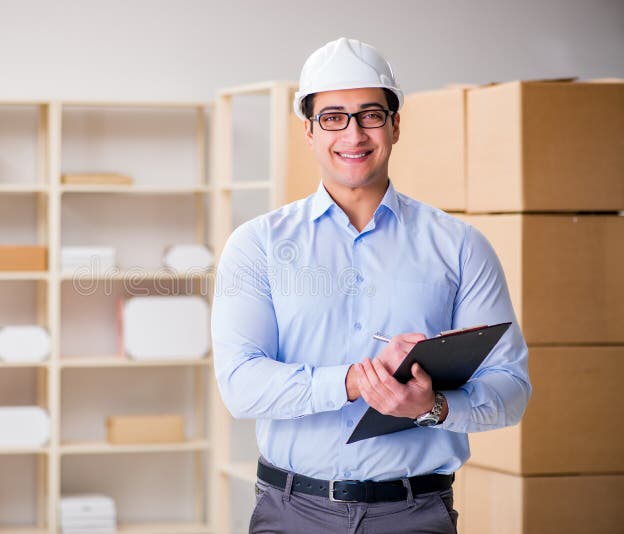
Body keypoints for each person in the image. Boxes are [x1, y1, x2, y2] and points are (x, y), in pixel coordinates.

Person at [211, 37, 531, 534]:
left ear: (396, 125)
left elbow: (510, 391)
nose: (354, 134)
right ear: (309, 131)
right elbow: (240, 387)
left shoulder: (460, 246)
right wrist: (356, 380)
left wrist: (433, 407)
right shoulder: (258, 245)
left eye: (371, 115)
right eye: (333, 116)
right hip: (291, 512)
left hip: (414, 513)